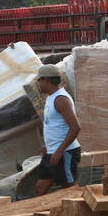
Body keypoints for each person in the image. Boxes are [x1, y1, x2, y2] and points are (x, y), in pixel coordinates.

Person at [33, 64, 82, 196]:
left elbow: (75, 127)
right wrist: (47, 147)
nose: (38, 83)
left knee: (69, 190)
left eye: (40, 80)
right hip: (52, 152)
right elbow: (53, 124)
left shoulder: (61, 99)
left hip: (65, 153)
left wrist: (59, 151)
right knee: (40, 188)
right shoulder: (51, 97)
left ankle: (78, 215)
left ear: (47, 80)